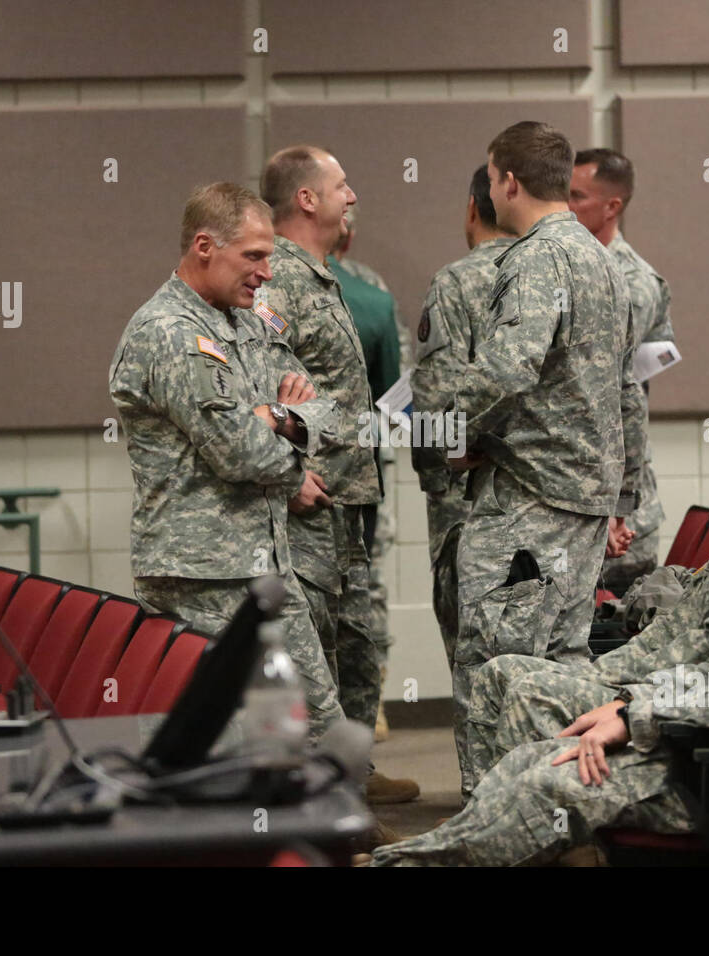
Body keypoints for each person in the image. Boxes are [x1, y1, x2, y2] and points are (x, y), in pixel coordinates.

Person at [371, 426, 709, 866]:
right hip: (703, 744)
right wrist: (633, 705)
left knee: (542, 780)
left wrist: (636, 713)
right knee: (532, 763)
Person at [462, 415, 709, 794]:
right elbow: (668, 631)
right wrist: (601, 671)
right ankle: (482, 807)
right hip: (645, 675)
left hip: (664, 694)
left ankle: (541, 828)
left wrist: (614, 687)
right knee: (499, 671)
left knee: (530, 692)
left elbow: (705, 657)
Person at [108, 182, 344, 741]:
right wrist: (285, 450)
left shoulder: (247, 321)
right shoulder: (169, 332)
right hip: (202, 575)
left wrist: (278, 418)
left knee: (316, 723)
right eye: (255, 256)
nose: (267, 273)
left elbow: (326, 409)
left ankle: (327, 829)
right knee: (235, 734)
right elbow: (238, 450)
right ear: (205, 246)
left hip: (262, 564)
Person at [443, 121, 632, 799]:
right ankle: (560, 813)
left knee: (497, 669)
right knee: (562, 666)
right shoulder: (604, 262)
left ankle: (493, 820)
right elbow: (624, 390)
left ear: (507, 183)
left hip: (527, 499)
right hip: (583, 499)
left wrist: (453, 434)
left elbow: (506, 369)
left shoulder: (534, 259)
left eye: (490, 177)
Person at [259, 146, 418, 804]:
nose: (352, 197)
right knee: (310, 652)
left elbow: (362, 398)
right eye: (341, 186)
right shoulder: (277, 281)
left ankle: (349, 779)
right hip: (307, 501)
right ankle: (318, 802)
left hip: (347, 498)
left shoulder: (329, 278)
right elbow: (265, 393)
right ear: (307, 199)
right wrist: (315, 449)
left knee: (353, 638)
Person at [410, 164, 517, 669]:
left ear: (473, 208)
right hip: (563, 518)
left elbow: (436, 412)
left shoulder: (456, 283)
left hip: (472, 513)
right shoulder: (576, 273)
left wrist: (444, 458)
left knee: (477, 675)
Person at [569, 147, 676, 591]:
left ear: (612, 206)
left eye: (577, 197)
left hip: (618, 500)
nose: (565, 207)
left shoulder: (633, 282)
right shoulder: (570, 269)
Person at [326, 205, 403, 741]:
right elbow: (397, 399)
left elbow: (393, 398)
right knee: (351, 597)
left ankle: (363, 709)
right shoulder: (369, 297)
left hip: (357, 473)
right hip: (338, 475)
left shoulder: (369, 290)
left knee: (361, 595)